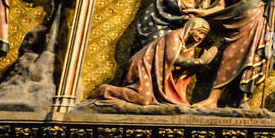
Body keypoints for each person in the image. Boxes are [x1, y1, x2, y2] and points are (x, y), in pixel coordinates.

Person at [190, 0, 275, 108]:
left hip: (258, 23)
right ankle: (212, 99)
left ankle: (243, 99)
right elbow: (220, 6)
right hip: (238, 25)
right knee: (228, 57)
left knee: (252, 59)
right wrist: (202, 12)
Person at [87, 17, 215, 107]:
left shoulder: (189, 47)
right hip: (143, 65)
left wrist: (200, 63)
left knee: (145, 99)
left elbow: (183, 70)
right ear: (191, 28)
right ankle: (104, 90)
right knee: (143, 99)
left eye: (204, 35)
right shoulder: (174, 37)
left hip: (154, 73)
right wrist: (199, 61)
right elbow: (173, 59)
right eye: (200, 32)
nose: (201, 37)